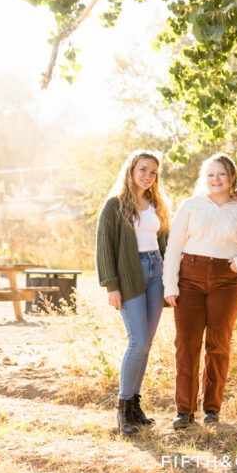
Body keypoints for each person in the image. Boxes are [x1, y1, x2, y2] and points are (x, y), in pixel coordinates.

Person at [163, 153, 237, 429]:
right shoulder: (191, 205)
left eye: (221, 174)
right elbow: (173, 248)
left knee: (218, 344)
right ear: (204, 179)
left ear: (232, 178)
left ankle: (212, 409)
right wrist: (170, 284)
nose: (216, 179)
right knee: (186, 344)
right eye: (210, 175)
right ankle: (184, 410)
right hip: (189, 279)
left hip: (227, 280)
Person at [96, 150, 171, 435]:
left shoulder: (157, 204)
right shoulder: (114, 206)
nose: (148, 176)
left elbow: (164, 244)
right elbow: (104, 248)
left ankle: (135, 406)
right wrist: (111, 286)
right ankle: (123, 407)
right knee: (137, 342)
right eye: (143, 170)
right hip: (130, 274)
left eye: (153, 172)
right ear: (131, 170)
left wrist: (170, 282)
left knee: (147, 344)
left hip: (157, 271)